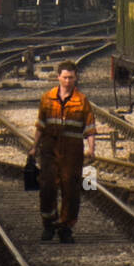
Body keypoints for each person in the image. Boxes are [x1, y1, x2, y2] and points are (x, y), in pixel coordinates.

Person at [29, 62, 95, 244]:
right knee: (47, 186)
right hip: (49, 147)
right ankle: (49, 224)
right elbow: (40, 125)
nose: (68, 81)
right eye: (65, 77)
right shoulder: (47, 98)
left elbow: (89, 127)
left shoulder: (82, 101)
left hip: (72, 150)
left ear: (76, 78)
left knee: (70, 188)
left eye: (71, 77)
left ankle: (66, 227)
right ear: (58, 77)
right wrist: (34, 146)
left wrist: (91, 148)